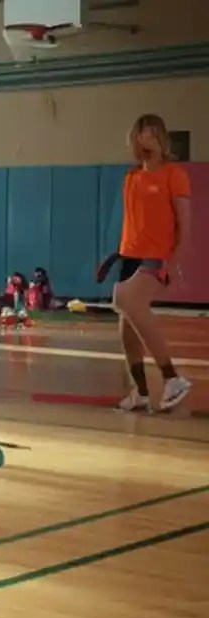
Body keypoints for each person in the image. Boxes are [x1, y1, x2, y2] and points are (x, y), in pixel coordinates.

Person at [111, 114, 193, 412]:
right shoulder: (131, 178)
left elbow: (185, 225)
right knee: (126, 325)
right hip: (129, 257)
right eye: (140, 134)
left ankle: (172, 378)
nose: (145, 138)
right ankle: (142, 392)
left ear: (162, 139)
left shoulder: (174, 175)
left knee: (125, 299)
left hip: (156, 258)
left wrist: (174, 262)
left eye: (151, 133)